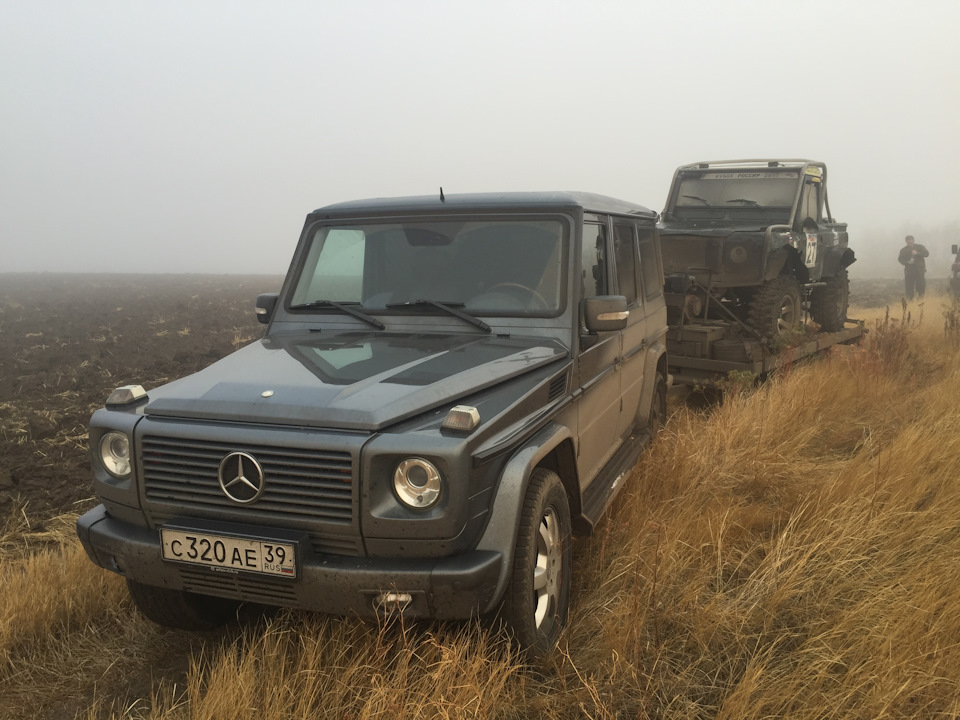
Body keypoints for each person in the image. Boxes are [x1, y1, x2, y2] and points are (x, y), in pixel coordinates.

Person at [898, 235, 929, 300]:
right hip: (909, 272)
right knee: (909, 289)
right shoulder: (903, 250)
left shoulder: (920, 247)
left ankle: (920, 301)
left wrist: (917, 253)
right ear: (906, 241)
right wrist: (907, 262)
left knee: (921, 287)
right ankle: (910, 303)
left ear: (913, 240)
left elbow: (926, 254)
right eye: (908, 241)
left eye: (911, 241)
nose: (910, 242)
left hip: (920, 271)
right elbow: (900, 259)